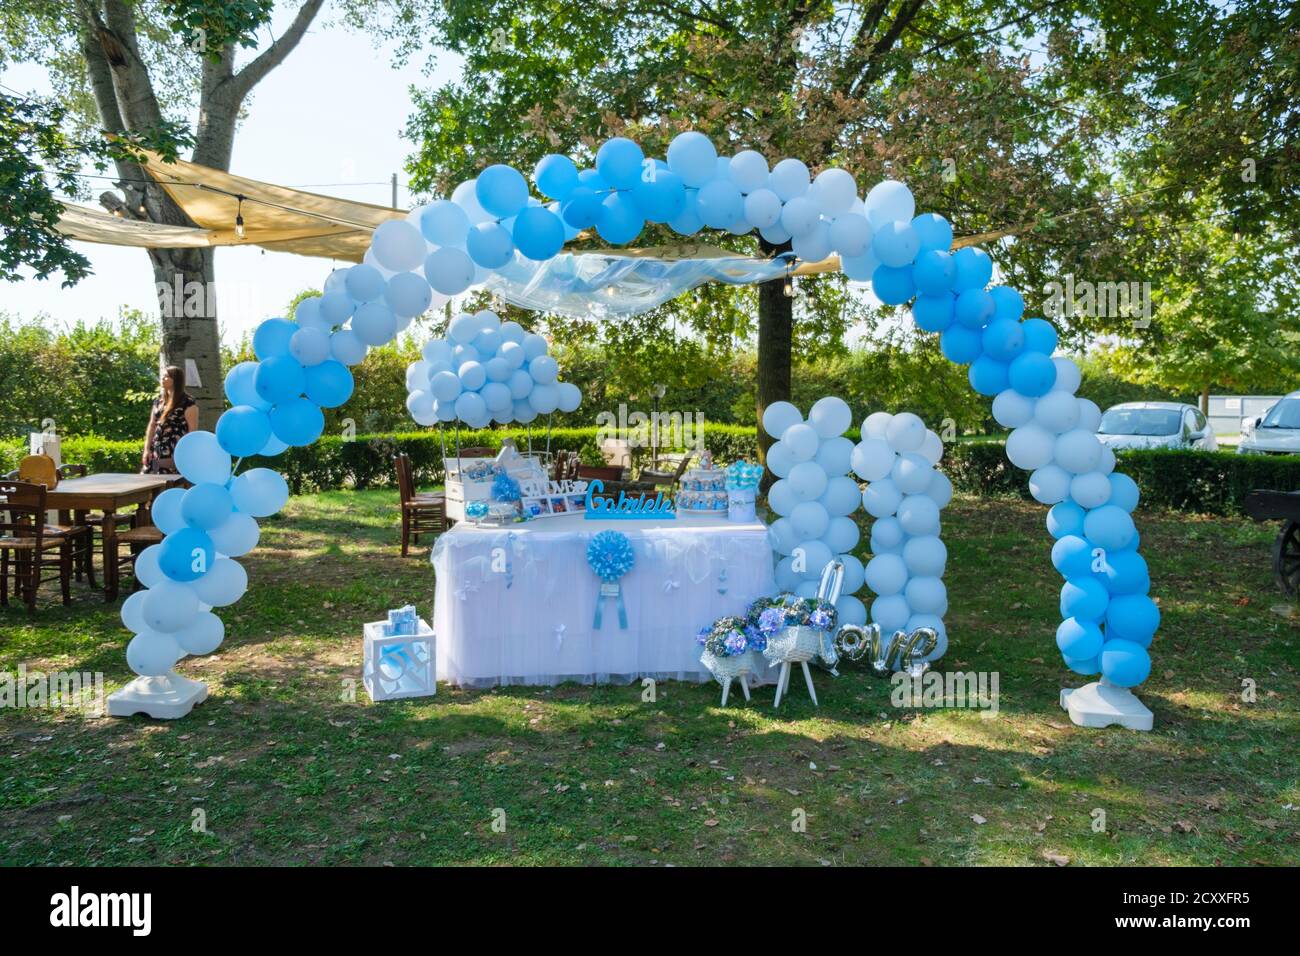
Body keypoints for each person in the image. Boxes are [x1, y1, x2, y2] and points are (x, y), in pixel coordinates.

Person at [141, 365, 198, 474]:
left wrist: (187, 453)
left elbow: (192, 431)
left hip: (175, 449)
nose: (162, 378)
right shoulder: (158, 401)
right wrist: (147, 449)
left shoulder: (187, 402)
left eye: (166, 376)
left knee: (170, 482)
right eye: (162, 376)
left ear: (175, 380)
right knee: (148, 480)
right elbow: (152, 425)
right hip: (156, 448)